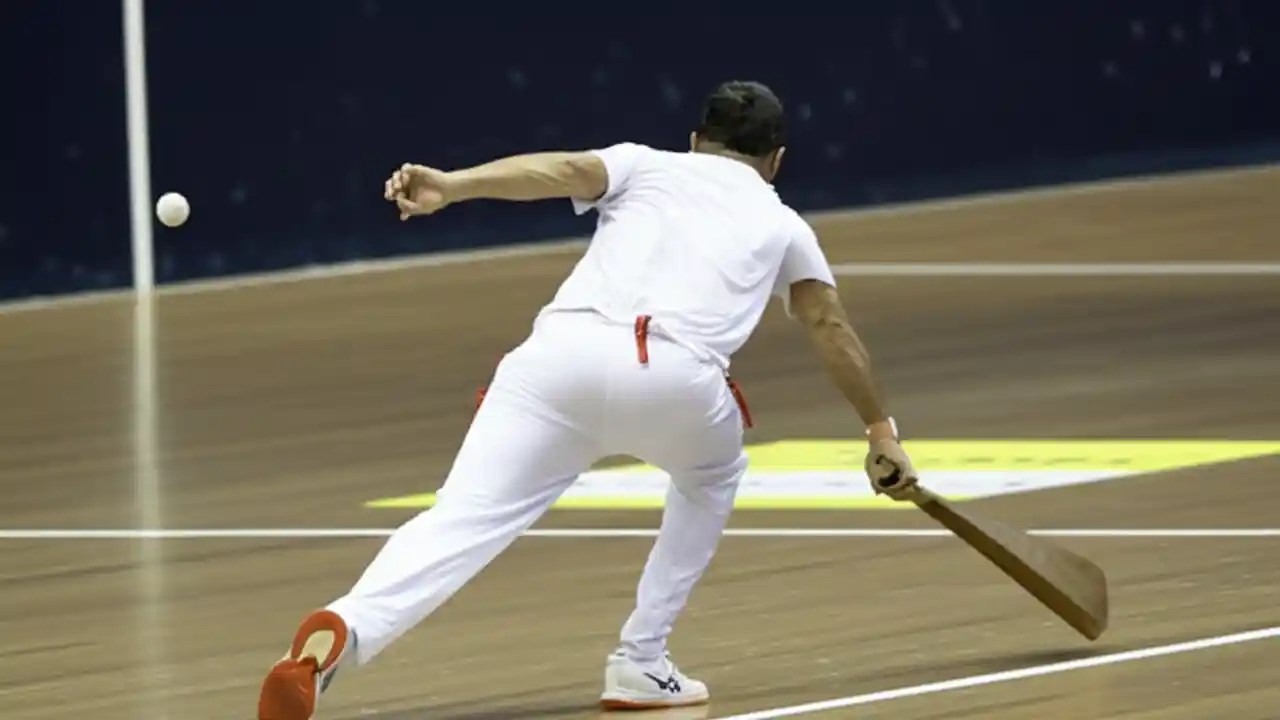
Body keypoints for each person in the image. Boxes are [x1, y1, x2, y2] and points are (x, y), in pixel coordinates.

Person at [257, 80, 919, 719]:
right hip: (674, 377)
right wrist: (880, 435)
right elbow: (829, 327)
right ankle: (642, 657)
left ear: (695, 140)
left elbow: (564, 169)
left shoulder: (643, 164)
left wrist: (453, 186)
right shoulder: (784, 223)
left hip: (555, 361)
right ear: (776, 160)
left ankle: (343, 627)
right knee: (714, 474)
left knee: (459, 518)